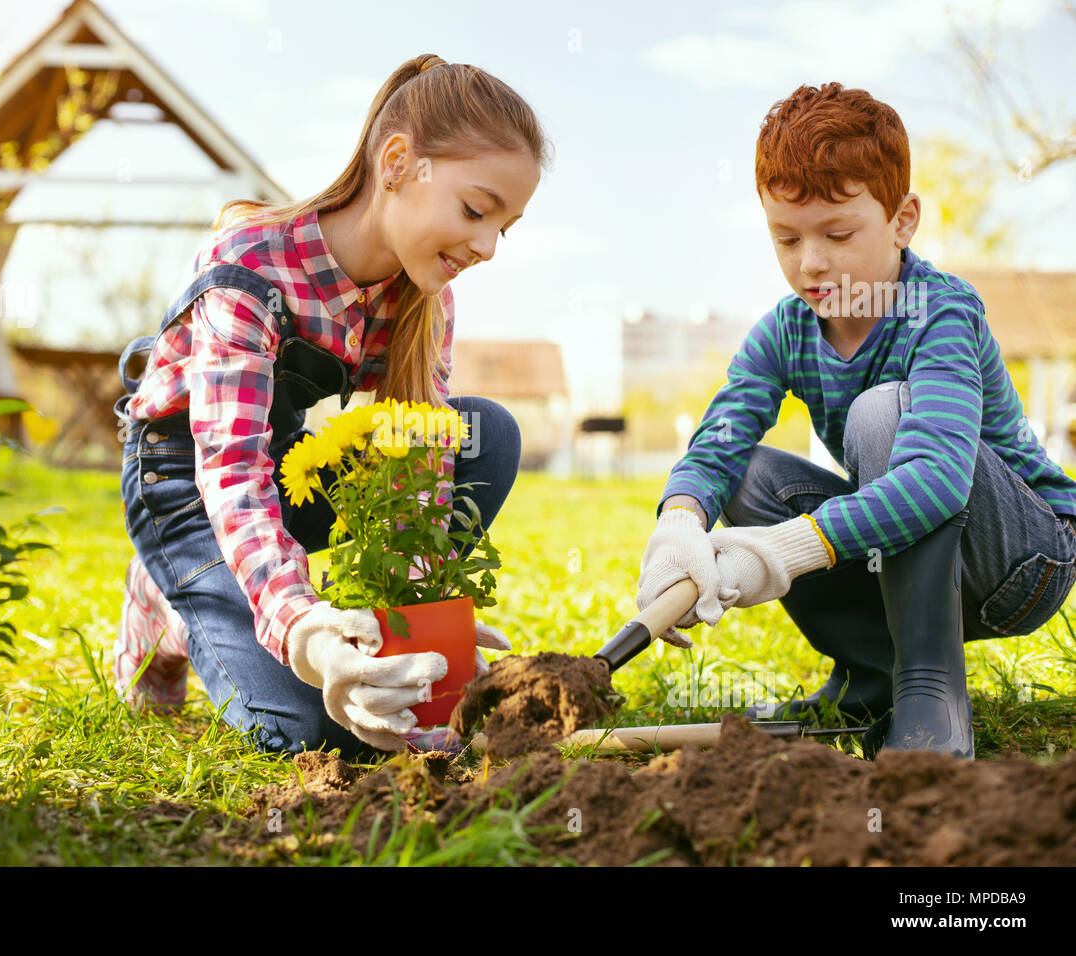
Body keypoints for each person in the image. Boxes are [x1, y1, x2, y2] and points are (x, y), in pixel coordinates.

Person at [113, 54, 547, 759]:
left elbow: (419, 470)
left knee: (479, 435)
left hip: (281, 471)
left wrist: (412, 631)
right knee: (315, 729)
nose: (489, 246)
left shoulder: (426, 300)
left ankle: (289, 613)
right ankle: (168, 592)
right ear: (400, 163)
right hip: (187, 489)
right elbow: (233, 476)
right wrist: (311, 635)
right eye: (476, 210)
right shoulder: (250, 265)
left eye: (508, 226)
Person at [635, 82, 1076, 760]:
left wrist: (780, 552)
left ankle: (933, 695)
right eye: (786, 237)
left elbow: (932, 482)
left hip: (1020, 559)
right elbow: (721, 438)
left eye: (837, 234)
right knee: (748, 474)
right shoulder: (785, 332)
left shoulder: (940, 312)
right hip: (905, 559)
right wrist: (679, 522)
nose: (810, 262)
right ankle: (873, 673)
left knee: (881, 414)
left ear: (903, 221)